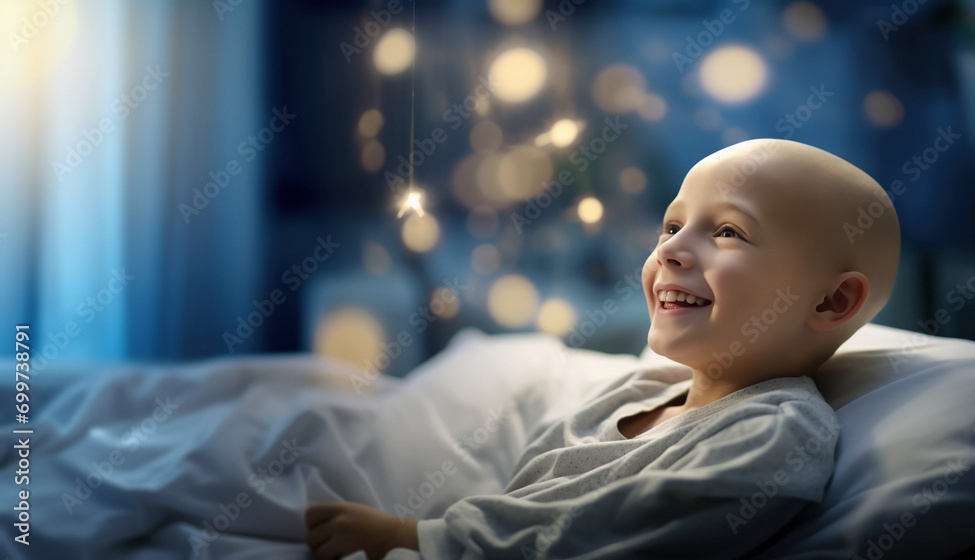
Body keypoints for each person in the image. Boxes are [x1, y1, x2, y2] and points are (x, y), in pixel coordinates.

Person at [304, 138, 901, 559]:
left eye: (727, 232)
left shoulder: (776, 432)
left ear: (832, 304)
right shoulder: (629, 393)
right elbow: (526, 497)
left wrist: (418, 538)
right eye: (671, 227)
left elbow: (620, 536)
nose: (670, 250)